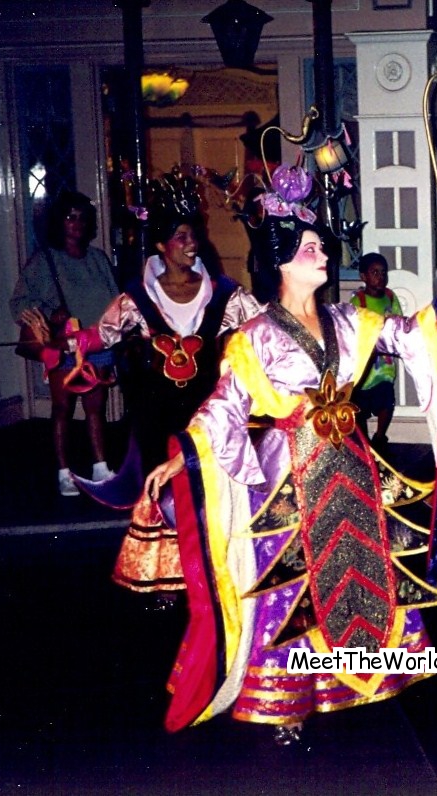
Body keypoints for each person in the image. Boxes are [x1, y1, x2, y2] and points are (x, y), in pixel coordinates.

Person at [142, 178, 437, 743]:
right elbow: (225, 403)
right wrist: (184, 456)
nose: (322, 254)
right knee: (291, 580)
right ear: (281, 262)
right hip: (289, 470)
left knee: (359, 561)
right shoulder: (253, 337)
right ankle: (286, 696)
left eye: (321, 246)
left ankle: (364, 677)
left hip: (350, 464)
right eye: (309, 248)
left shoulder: (349, 319)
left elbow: (409, 335)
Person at [67, 173, 262, 601]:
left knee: (208, 487)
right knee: (165, 490)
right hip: (157, 413)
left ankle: (216, 573)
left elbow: (265, 325)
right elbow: (103, 333)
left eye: (194, 235)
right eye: (181, 237)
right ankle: (169, 579)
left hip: (206, 411)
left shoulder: (224, 294)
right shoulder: (138, 297)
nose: (192, 244)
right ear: (160, 244)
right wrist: (68, 341)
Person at [10, 191, 119, 496]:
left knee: (96, 407)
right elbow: (19, 301)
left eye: (82, 218)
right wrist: (48, 314)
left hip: (96, 343)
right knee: (62, 407)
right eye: (70, 217)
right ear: (59, 222)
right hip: (62, 344)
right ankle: (64, 472)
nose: (77, 223)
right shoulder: (45, 260)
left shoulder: (97, 259)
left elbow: (115, 301)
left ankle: (100, 466)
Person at [349, 251, 403, 452]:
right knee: (359, 406)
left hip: (384, 365)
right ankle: (364, 445)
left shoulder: (389, 296)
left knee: (386, 400)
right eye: (375, 273)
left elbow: (398, 320)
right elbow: (353, 329)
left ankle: (380, 438)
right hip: (366, 364)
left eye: (383, 273)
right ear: (363, 276)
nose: (380, 277)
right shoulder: (358, 301)